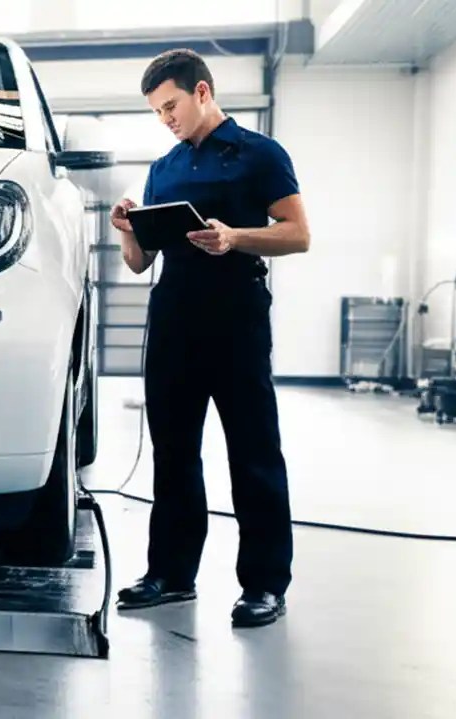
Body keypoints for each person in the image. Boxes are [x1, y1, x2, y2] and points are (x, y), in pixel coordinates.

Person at [112, 48, 311, 628]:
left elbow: (298, 234)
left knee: (252, 453)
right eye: (156, 111)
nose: (165, 118)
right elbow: (137, 261)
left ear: (202, 92)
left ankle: (265, 585)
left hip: (236, 318)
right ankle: (171, 575)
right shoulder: (164, 167)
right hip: (174, 317)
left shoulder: (260, 154)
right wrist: (127, 230)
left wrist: (235, 237)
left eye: (170, 105)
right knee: (173, 453)